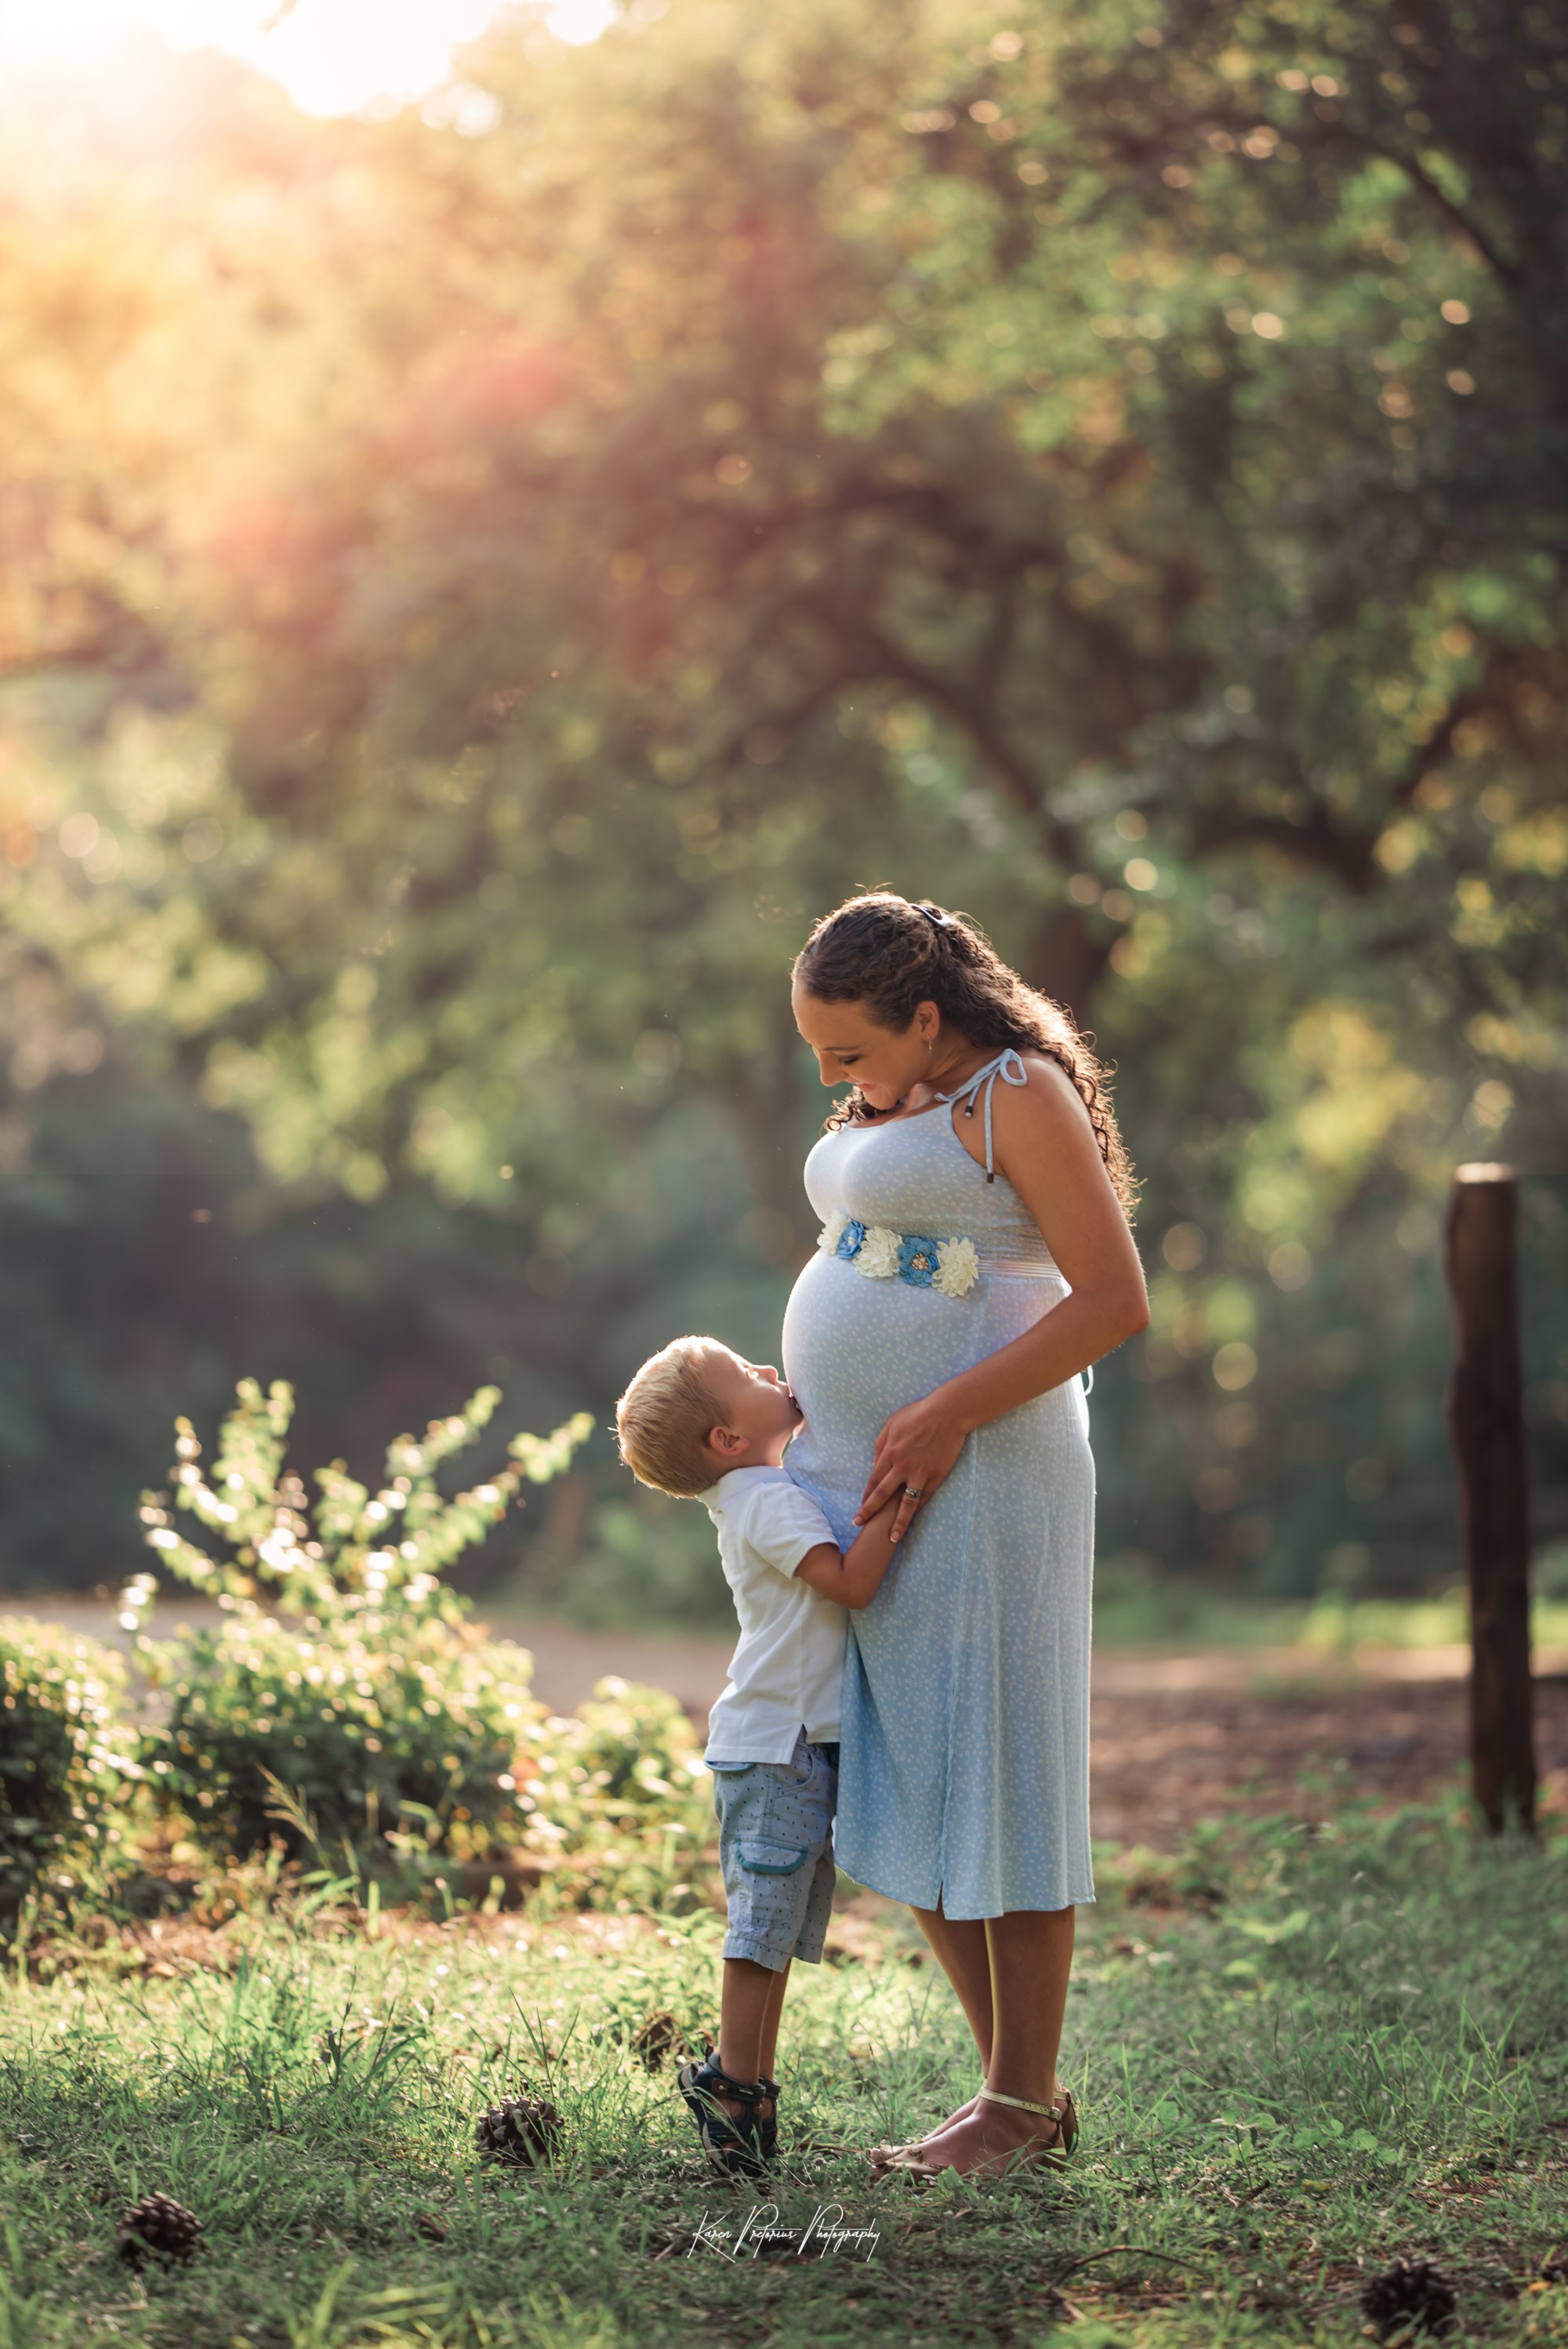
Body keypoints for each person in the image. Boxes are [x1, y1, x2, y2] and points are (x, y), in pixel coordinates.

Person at [781, 891, 1149, 2180]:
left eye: (849, 1052)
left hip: (991, 1471)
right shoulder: (904, 1101)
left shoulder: (1018, 1091)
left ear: (927, 1016)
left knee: (1000, 1763)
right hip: (883, 1479)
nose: (833, 1080)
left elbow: (1114, 1300)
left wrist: (940, 1412)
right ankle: (1023, 2097)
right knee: (907, 1765)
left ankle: (1017, 2101)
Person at [614, 1334, 904, 2175]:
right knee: (759, 1931)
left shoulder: (760, 1490)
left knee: (775, 1931)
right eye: (744, 1374)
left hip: (788, 1743)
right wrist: (905, 1486)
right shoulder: (765, 1501)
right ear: (726, 1440)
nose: (770, 1372)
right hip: (776, 1747)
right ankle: (734, 2083)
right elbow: (851, 1583)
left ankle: (747, 2086)